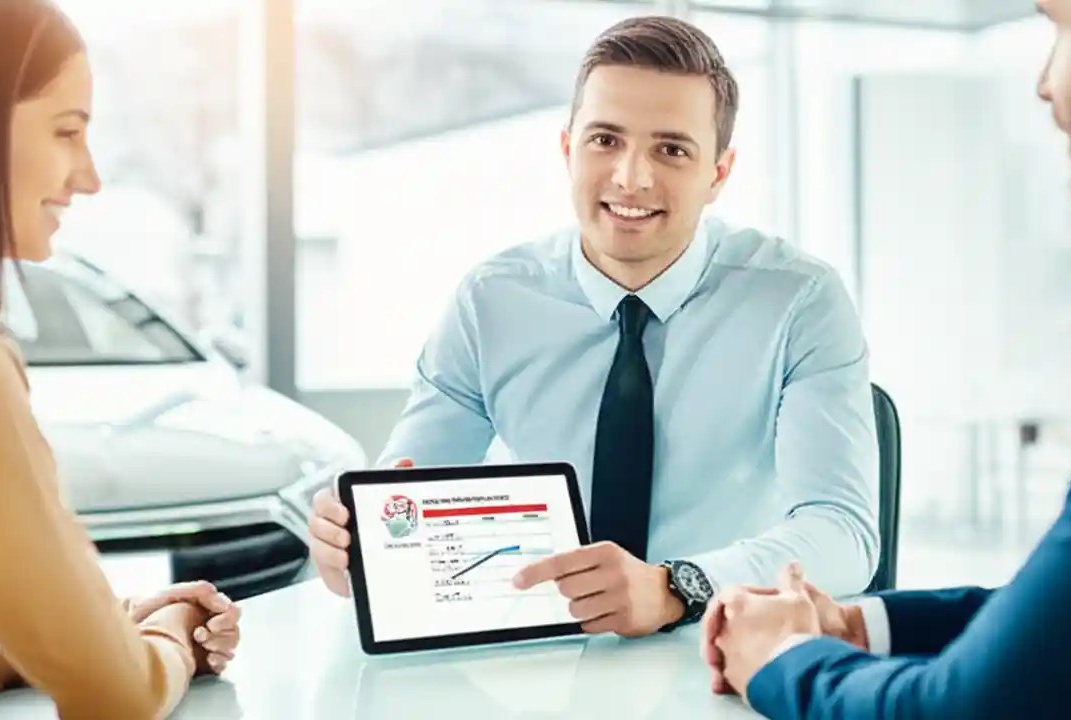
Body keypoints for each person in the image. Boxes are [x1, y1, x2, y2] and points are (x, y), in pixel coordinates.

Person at [703, 0, 1071, 716]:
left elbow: (970, 710)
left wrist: (779, 657)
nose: (1047, 83)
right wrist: (860, 626)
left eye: (1061, 28)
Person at [310, 15, 881, 638]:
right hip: (533, 650)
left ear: (718, 173)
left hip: (720, 645)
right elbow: (401, 508)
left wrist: (675, 587)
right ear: (567, 149)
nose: (631, 178)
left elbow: (842, 532)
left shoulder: (798, 300)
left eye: (671, 149)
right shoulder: (491, 302)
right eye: (605, 140)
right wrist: (355, 546)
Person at [0, 2, 241, 717]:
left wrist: (99, 626)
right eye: (67, 132)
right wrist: (167, 636)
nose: (89, 178)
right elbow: (119, 696)